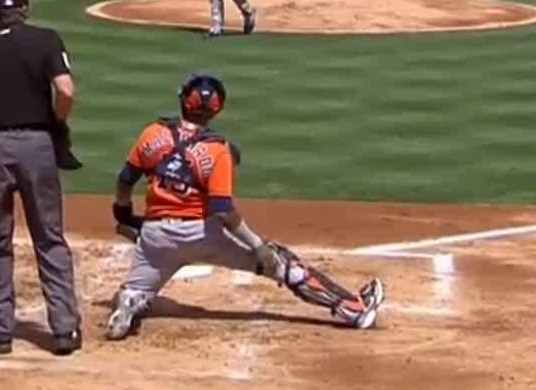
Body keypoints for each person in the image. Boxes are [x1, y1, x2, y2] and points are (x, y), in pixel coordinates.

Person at [103, 73, 383, 342]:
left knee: (135, 288)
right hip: (202, 234)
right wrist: (258, 245)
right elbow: (223, 209)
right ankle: (353, 310)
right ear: (216, 109)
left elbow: (126, 179)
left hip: (156, 236)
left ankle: (130, 302)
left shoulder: (153, 133)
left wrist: (124, 213)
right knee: (282, 263)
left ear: (181, 100)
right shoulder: (218, 150)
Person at [0, 0, 82, 355]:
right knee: (50, 237)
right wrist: (56, 123)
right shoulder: (46, 40)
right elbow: (67, 90)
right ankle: (63, 330)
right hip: (38, 146)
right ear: (23, 8)